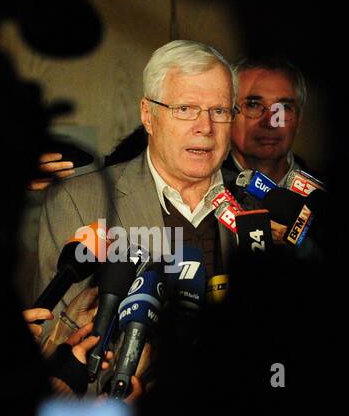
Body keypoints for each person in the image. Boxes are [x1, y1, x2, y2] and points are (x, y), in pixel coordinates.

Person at [32, 40, 238, 337]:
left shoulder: (260, 203)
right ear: (147, 115)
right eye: (185, 109)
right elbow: (53, 335)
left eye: (219, 110)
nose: (205, 127)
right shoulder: (78, 200)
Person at [223, 54, 326, 190]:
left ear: (299, 119)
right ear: (228, 114)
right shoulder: (201, 191)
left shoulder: (327, 198)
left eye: (283, 107)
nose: (271, 122)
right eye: (253, 105)